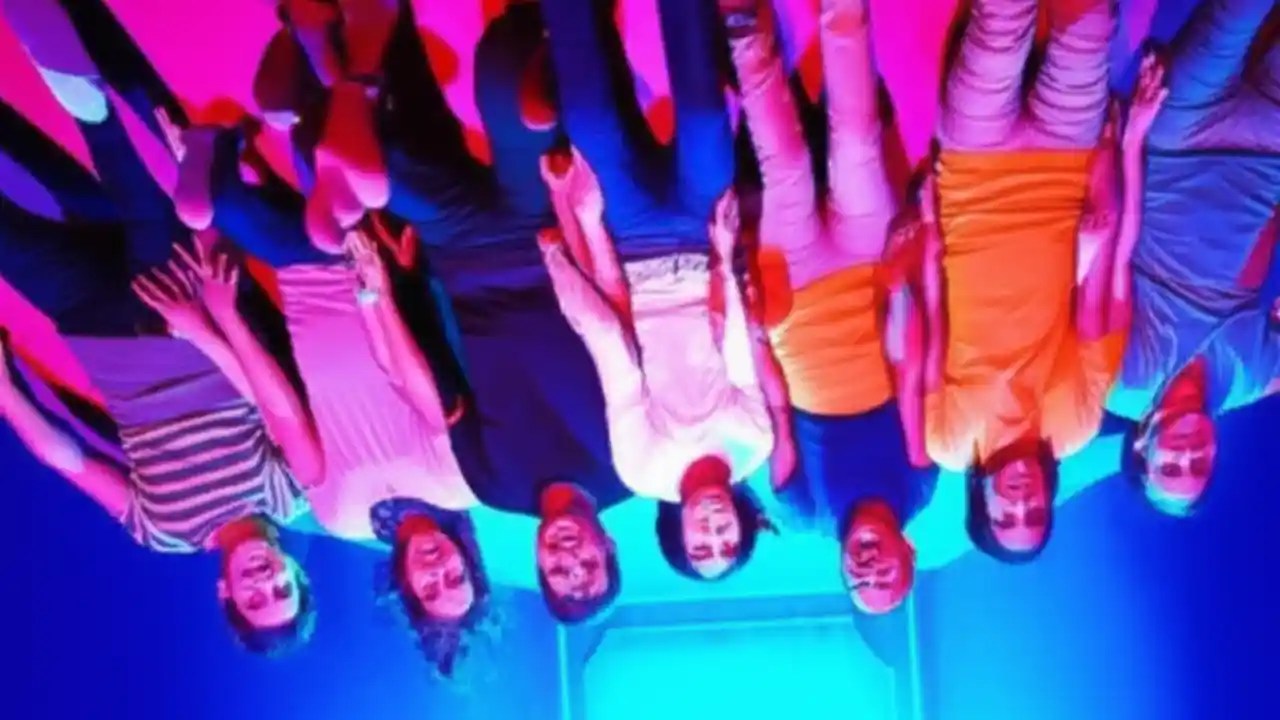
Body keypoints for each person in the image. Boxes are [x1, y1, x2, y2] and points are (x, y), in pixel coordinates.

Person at [305, 0, 628, 622]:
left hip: (458, 255)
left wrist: (398, 281)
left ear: (536, 565)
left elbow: (438, 384)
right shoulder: (630, 467)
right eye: (587, 566)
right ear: (608, 546)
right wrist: (580, 220)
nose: (568, 559)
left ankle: (352, 58)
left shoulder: (494, 488)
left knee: (360, 160)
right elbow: (616, 324)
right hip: (543, 234)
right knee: (502, 72)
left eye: (557, 574)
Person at [539, 0, 781, 582]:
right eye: (727, 541)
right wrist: (723, 249)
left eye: (701, 546)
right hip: (701, 242)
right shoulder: (754, 444)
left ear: (678, 534)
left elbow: (614, 345)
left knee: (591, 119)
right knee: (702, 118)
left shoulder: (642, 470)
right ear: (744, 523)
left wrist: (582, 228)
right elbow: (736, 342)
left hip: (632, 251)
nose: (714, 532)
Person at [715, 0, 936, 612]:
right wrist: (898, 283)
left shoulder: (804, 510)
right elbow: (910, 378)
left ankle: (744, 33)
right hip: (870, 280)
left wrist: (755, 330)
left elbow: (778, 407)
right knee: (857, 142)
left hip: (794, 308)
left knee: (783, 166)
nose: (867, 569)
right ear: (908, 555)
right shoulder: (920, 488)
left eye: (858, 583)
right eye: (884, 577)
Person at [914, 0, 1143, 562]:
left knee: (1002, 20)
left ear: (980, 502)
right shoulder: (1072, 427)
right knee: (1091, 22)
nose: (1021, 502)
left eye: (1005, 516)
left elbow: (931, 315)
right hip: (1063, 176)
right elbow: (1094, 302)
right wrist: (1108, 161)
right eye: (1034, 514)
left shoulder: (948, 442)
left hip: (972, 178)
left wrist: (924, 222)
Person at [1107, 0, 1280, 516]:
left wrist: (1130, 141)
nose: (1187, 455)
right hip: (1269, 154)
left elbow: (1113, 253)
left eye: (1170, 467)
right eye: (1198, 467)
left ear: (1142, 447)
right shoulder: (1251, 378)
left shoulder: (1123, 385)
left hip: (1180, 142)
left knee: (1236, 14)